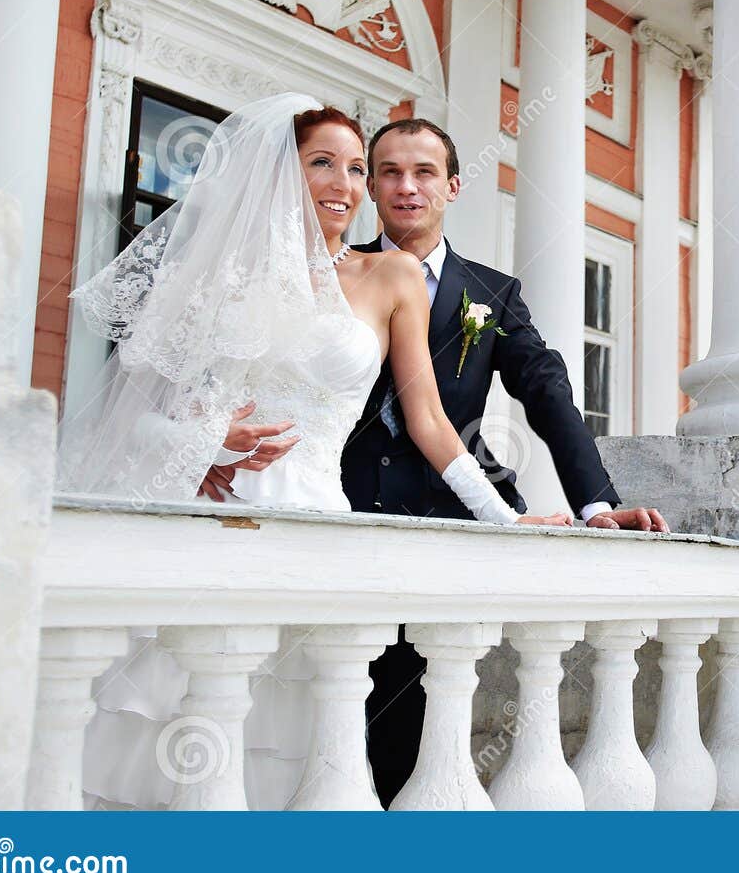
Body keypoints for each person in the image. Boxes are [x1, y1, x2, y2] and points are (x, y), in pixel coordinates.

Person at [58, 93, 570, 809]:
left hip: (317, 524)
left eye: (356, 168)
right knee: (185, 726)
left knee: (299, 744)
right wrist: (207, 441)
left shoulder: (388, 280)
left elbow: (429, 420)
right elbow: (146, 419)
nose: (345, 183)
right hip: (218, 523)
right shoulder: (225, 283)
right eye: (322, 163)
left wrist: (508, 522)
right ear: (280, 172)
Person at [335, 115, 668, 805]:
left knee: (420, 723)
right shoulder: (335, 271)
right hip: (342, 515)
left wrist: (596, 502)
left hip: (452, 522)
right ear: (372, 188)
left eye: (424, 172)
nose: (406, 186)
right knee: (333, 715)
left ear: (452, 185)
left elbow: (547, 394)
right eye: (389, 171)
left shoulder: (491, 294)